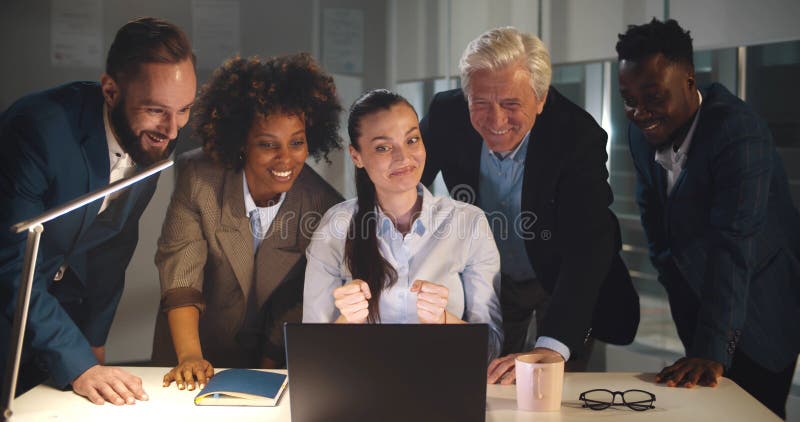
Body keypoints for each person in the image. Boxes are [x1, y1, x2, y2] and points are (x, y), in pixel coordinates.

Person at [420, 27, 640, 384]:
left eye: (510, 104)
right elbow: (398, 177)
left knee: (552, 385)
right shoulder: (447, 114)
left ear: (540, 99)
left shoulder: (577, 136)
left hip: (560, 277)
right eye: (480, 103)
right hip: (491, 276)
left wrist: (553, 346)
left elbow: (588, 247)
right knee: (484, 380)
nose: (495, 120)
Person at [0, 18, 196, 404]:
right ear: (110, 90)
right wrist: (77, 362)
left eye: (185, 109)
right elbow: (8, 265)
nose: (173, 131)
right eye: (156, 110)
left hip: (54, 313)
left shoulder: (153, 139)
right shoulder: (37, 129)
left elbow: (115, 241)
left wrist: (93, 342)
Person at [617, 18, 800, 419]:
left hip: (761, 309)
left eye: (652, 96)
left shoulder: (737, 132)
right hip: (699, 306)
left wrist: (710, 348)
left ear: (689, 80)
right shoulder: (640, 132)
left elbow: (734, 241)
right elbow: (655, 222)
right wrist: (681, 297)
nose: (639, 112)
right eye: (628, 98)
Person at [152, 54, 344, 391]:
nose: (286, 158)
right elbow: (181, 269)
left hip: (268, 363)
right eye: (268, 144)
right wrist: (190, 358)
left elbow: (295, 304)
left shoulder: (324, 206)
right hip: (188, 353)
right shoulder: (199, 177)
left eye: (297, 142)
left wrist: (259, 375)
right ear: (242, 141)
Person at [303, 89, 503, 359]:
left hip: (445, 386)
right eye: (383, 147)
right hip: (360, 389)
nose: (403, 157)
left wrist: (444, 321)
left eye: (412, 140)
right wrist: (346, 321)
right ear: (356, 156)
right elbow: (312, 353)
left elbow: (490, 348)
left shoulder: (468, 223)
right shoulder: (335, 227)